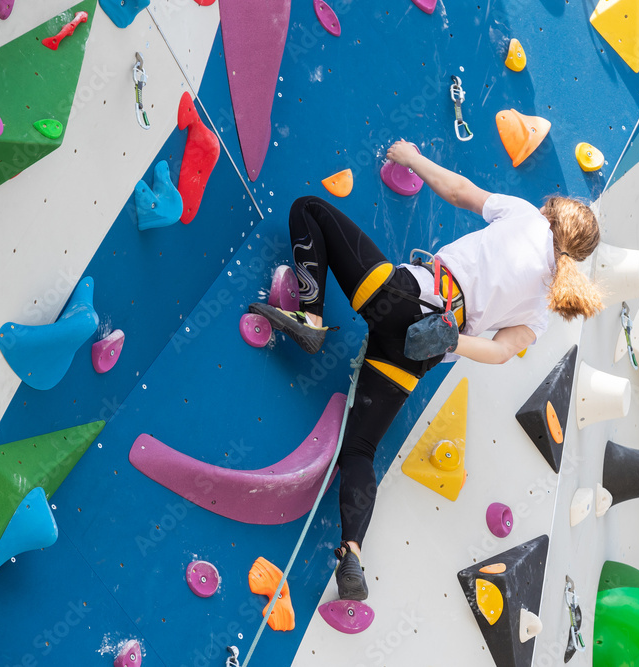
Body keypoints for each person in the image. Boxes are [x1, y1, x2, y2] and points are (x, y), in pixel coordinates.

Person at [249, 140, 604, 601]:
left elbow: (458, 190)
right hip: (421, 351)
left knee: (310, 209)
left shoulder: (527, 217)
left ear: (555, 214)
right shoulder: (542, 308)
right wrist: (451, 340)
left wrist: (411, 157)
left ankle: (312, 317)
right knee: (358, 448)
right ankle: (352, 552)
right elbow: (499, 352)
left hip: (405, 296)